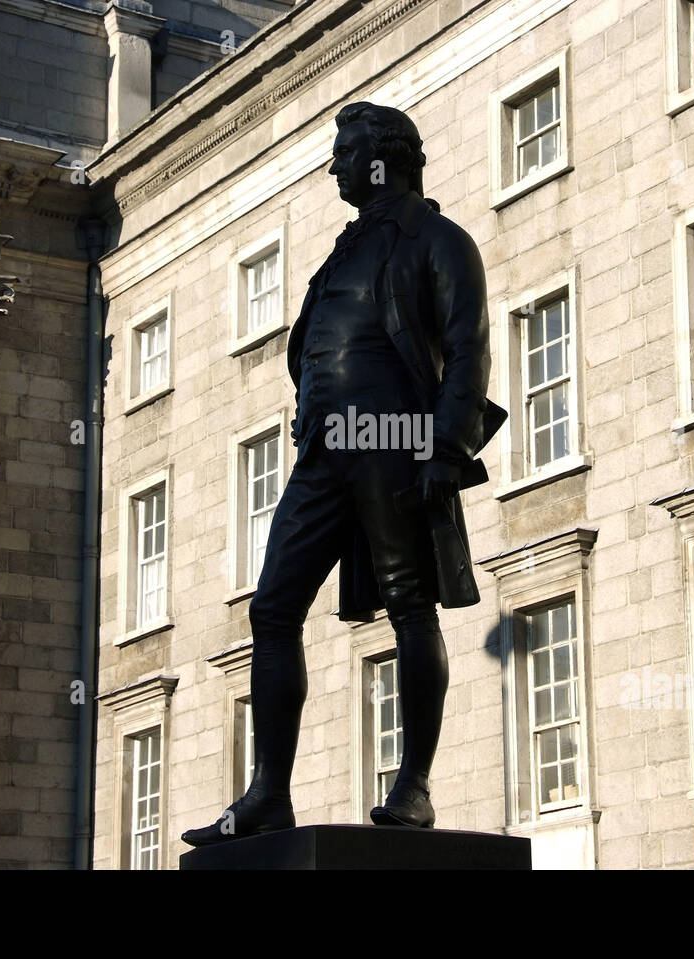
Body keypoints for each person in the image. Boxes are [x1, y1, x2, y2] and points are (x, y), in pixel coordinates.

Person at [181, 103, 504, 847]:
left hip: (394, 441)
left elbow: (467, 350)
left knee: (409, 607)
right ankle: (269, 792)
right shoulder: (343, 251)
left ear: (382, 160)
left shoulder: (439, 240)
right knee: (272, 607)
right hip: (326, 450)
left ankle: (414, 783)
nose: (336, 167)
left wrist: (445, 449)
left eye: (346, 153)